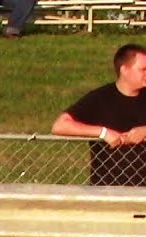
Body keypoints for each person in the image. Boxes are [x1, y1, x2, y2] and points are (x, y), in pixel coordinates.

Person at [51, 43, 146, 188]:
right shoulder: (100, 98)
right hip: (106, 187)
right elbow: (60, 126)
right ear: (124, 70)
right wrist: (103, 132)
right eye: (143, 69)